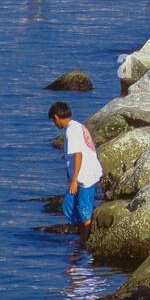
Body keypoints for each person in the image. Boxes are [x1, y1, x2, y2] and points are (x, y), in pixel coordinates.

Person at [48, 101, 103, 237]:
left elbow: (78, 154)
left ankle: (86, 239)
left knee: (84, 209)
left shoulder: (72, 130)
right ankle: (81, 232)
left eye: (54, 121)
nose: (55, 125)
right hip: (81, 174)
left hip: (85, 175)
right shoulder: (76, 126)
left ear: (56, 117)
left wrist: (74, 179)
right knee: (68, 205)